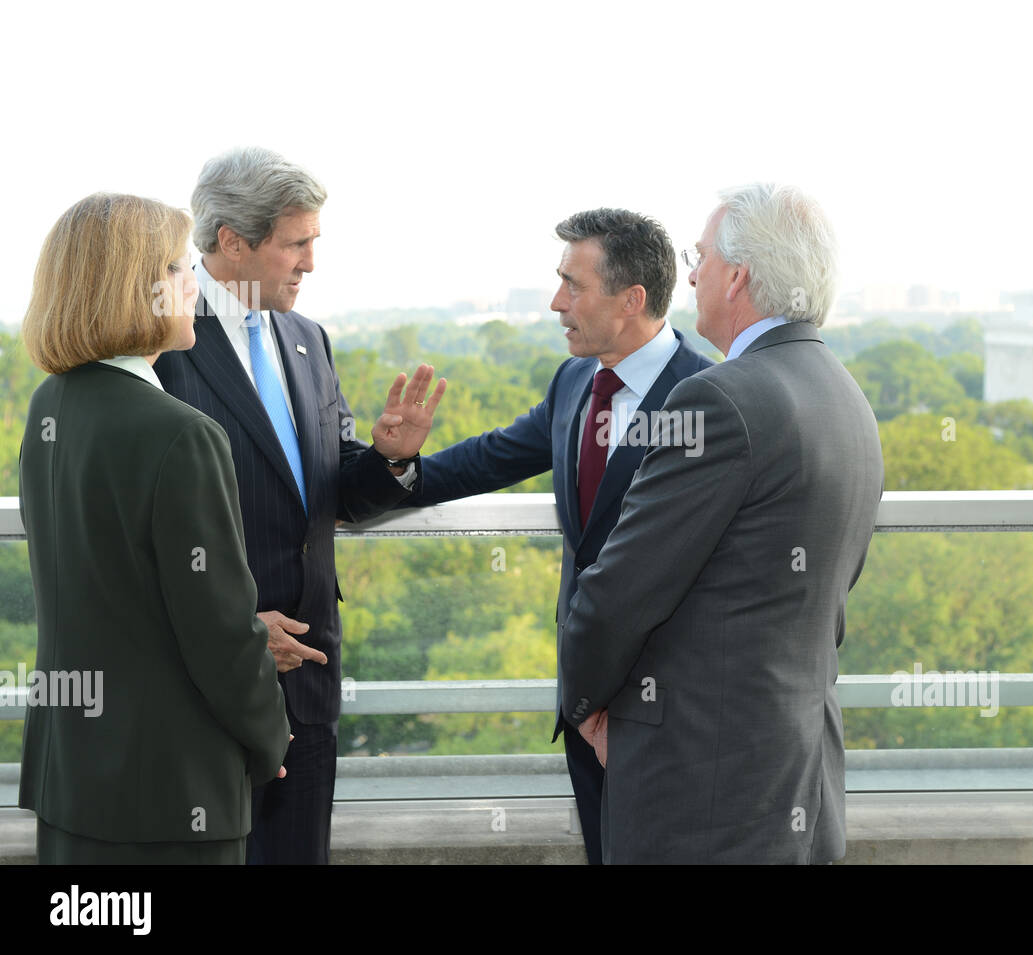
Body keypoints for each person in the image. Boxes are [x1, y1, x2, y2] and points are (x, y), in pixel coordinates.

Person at [559, 183, 884, 864]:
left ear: (736, 277)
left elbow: (619, 591)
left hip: (701, 789)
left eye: (700, 257)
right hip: (797, 773)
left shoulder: (719, 399)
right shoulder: (845, 395)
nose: (694, 273)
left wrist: (585, 704)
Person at [154, 148, 444, 865]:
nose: (311, 261)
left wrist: (390, 458)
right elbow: (135, 530)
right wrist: (233, 629)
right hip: (206, 679)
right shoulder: (160, 342)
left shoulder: (308, 341)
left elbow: (335, 492)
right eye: (296, 242)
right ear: (231, 242)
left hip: (309, 678)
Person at [407, 208, 712, 863]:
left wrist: (624, 708)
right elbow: (488, 457)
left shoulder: (708, 393)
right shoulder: (575, 380)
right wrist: (385, 475)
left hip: (667, 715)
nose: (556, 302)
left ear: (631, 300)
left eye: (573, 285)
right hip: (582, 703)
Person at [18, 193, 291, 863]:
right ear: (129, 288)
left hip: (72, 780)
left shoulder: (49, 404)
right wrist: (270, 737)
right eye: (177, 267)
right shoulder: (181, 434)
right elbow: (220, 627)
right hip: (171, 795)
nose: (195, 283)